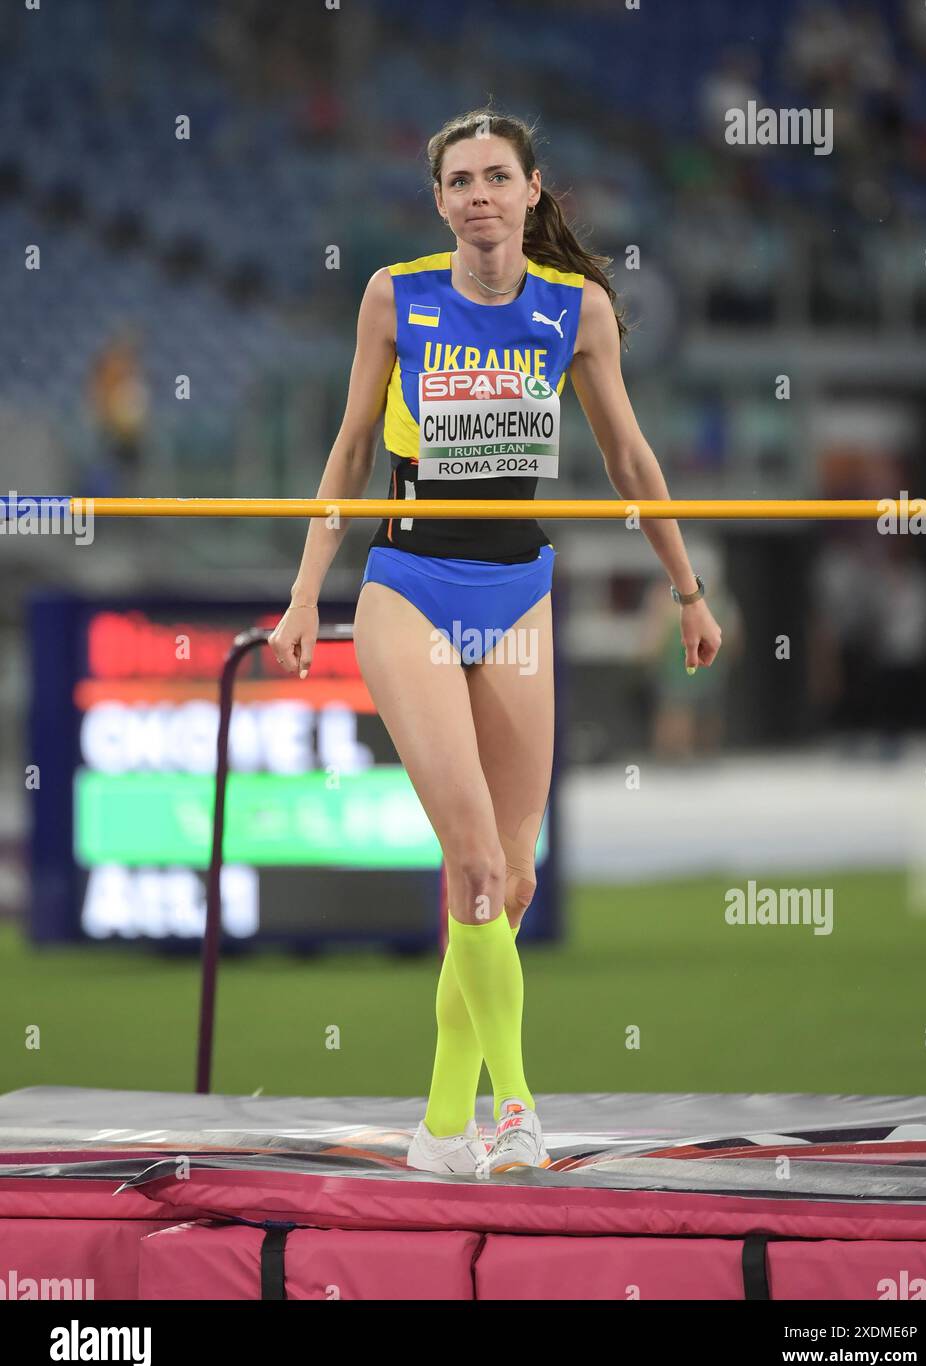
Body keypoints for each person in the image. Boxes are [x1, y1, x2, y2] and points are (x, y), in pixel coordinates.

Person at [269, 106, 722, 1176]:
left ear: (529, 193)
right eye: (458, 179)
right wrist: (302, 596)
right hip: (408, 584)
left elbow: (632, 462)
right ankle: (515, 1111)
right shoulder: (396, 295)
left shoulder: (577, 311)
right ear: (439, 201)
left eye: (495, 176)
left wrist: (687, 591)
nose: (477, 193)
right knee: (468, 854)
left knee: (507, 883)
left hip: (518, 591)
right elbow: (344, 450)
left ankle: (436, 1127)